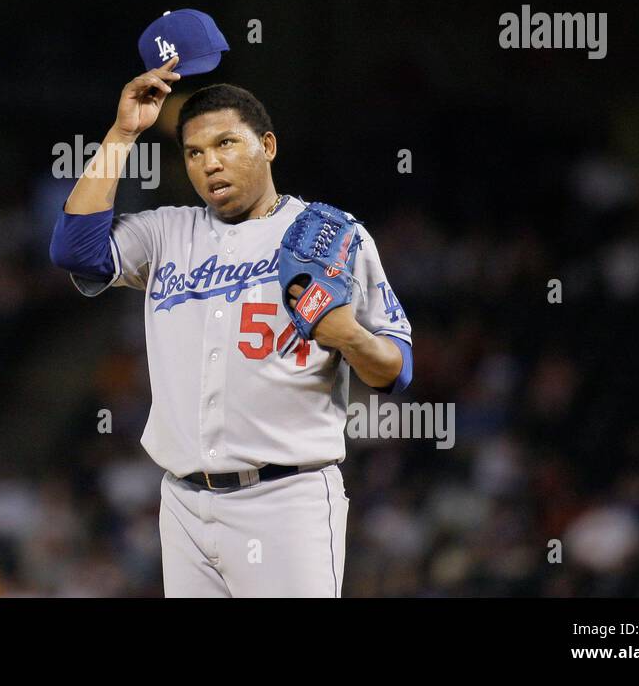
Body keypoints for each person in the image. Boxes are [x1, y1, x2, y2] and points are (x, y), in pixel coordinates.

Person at [50, 56, 413, 597]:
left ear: (267, 146)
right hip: (183, 502)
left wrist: (352, 339)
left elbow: (397, 371)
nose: (210, 164)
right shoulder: (167, 232)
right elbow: (74, 251)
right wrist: (123, 132)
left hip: (286, 499)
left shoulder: (329, 232)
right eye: (194, 153)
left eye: (226, 144)